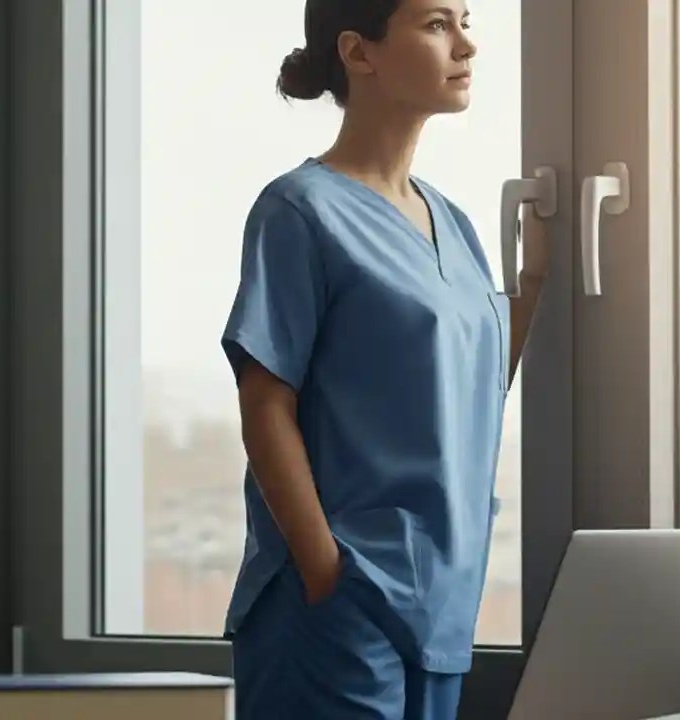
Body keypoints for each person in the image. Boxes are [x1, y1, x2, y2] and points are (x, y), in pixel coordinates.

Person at [219, 0, 548, 717]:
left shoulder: (452, 223)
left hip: (439, 602)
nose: (466, 44)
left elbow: (468, 395)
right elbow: (265, 406)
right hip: (341, 601)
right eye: (436, 24)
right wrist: (323, 570)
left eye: (466, 20)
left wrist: (534, 288)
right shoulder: (299, 210)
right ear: (359, 52)